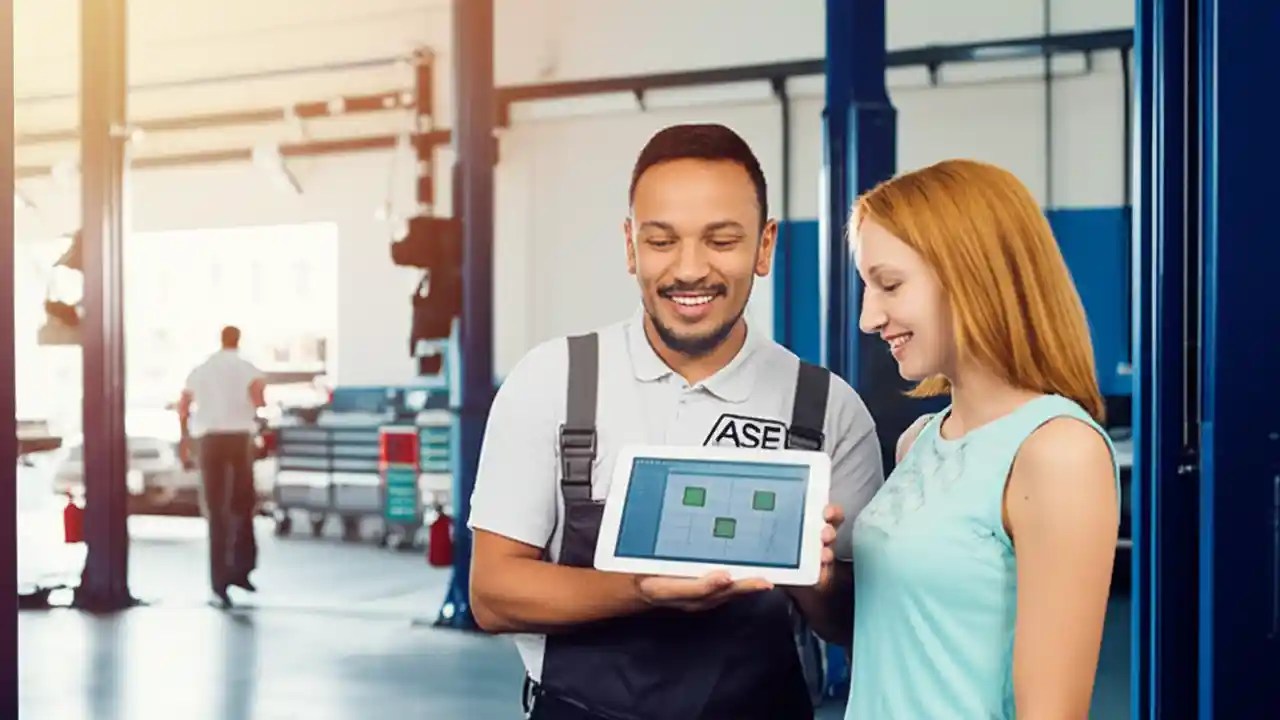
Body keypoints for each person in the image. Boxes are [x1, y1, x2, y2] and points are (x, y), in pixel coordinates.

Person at [468, 123, 885, 720]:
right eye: (662, 241)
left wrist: (815, 578)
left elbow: (851, 624)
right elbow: (493, 594)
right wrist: (637, 589)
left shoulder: (825, 410)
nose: (690, 270)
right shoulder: (553, 381)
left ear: (765, 247)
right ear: (631, 245)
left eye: (721, 240)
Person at [844, 159, 1121, 719]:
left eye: (889, 284)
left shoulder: (1057, 452)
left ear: (972, 273)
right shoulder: (919, 441)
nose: (868, 318)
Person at [178, 325, 267, 608]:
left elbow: (183, 405)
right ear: (238, 340)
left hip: (209, 441)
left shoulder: (201, 369)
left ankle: (219, 581)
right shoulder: (247, 368)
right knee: (243, 504)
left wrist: (185, 439)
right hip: (239, 439)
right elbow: (259, 400)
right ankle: (242, 569)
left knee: (216, 510)